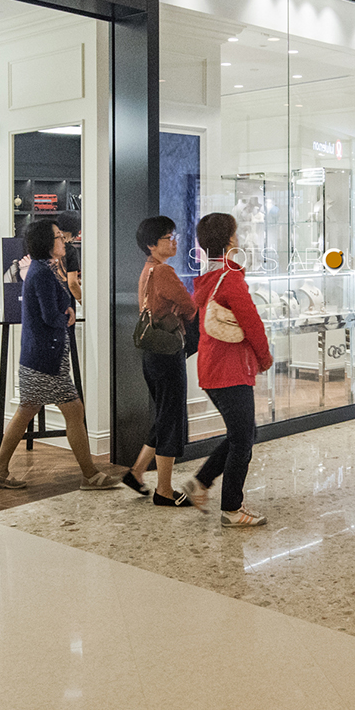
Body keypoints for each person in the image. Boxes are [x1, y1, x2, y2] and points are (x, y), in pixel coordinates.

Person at [0, 218, 115, 490]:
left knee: (27, 410)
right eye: (58, 237)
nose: (63, 241)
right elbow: (48, 316)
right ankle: (90, 475)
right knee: (73, 410)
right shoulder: (43, 273)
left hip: (37, 356)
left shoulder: (41, 269)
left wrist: (63, 311)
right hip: (46, 360)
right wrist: (66, 316)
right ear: (47, 242)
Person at [190, 212, 272, 527]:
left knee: (244, 433)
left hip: (211, 367)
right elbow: (251, 322)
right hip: (231, 368)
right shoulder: (230, 277)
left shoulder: (207, 278)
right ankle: (232, 509)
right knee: (243, 439)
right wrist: (264, 357)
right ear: (230, 239)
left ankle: (201, 482)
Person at [124, 215, 197, 506]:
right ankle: (164, 490)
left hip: (153, 354)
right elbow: (189, 305)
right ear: (152, 244)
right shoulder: (164, 271)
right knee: (171, 419)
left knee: (164, 415)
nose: (174, 241)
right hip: (168, 354)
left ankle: (136, 473)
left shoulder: (148, 271)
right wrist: (182, 314)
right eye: (169, 237)